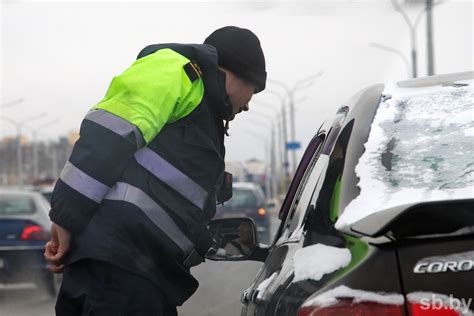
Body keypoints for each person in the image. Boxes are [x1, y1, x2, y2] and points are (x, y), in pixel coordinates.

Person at [44, 26, 266, 315]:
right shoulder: (176, 71)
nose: (248, 104)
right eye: (254, 90)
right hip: (117, 270)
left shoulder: (202, 109)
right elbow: (108, 136)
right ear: (237, 73)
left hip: (141, 274)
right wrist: (65, 219)